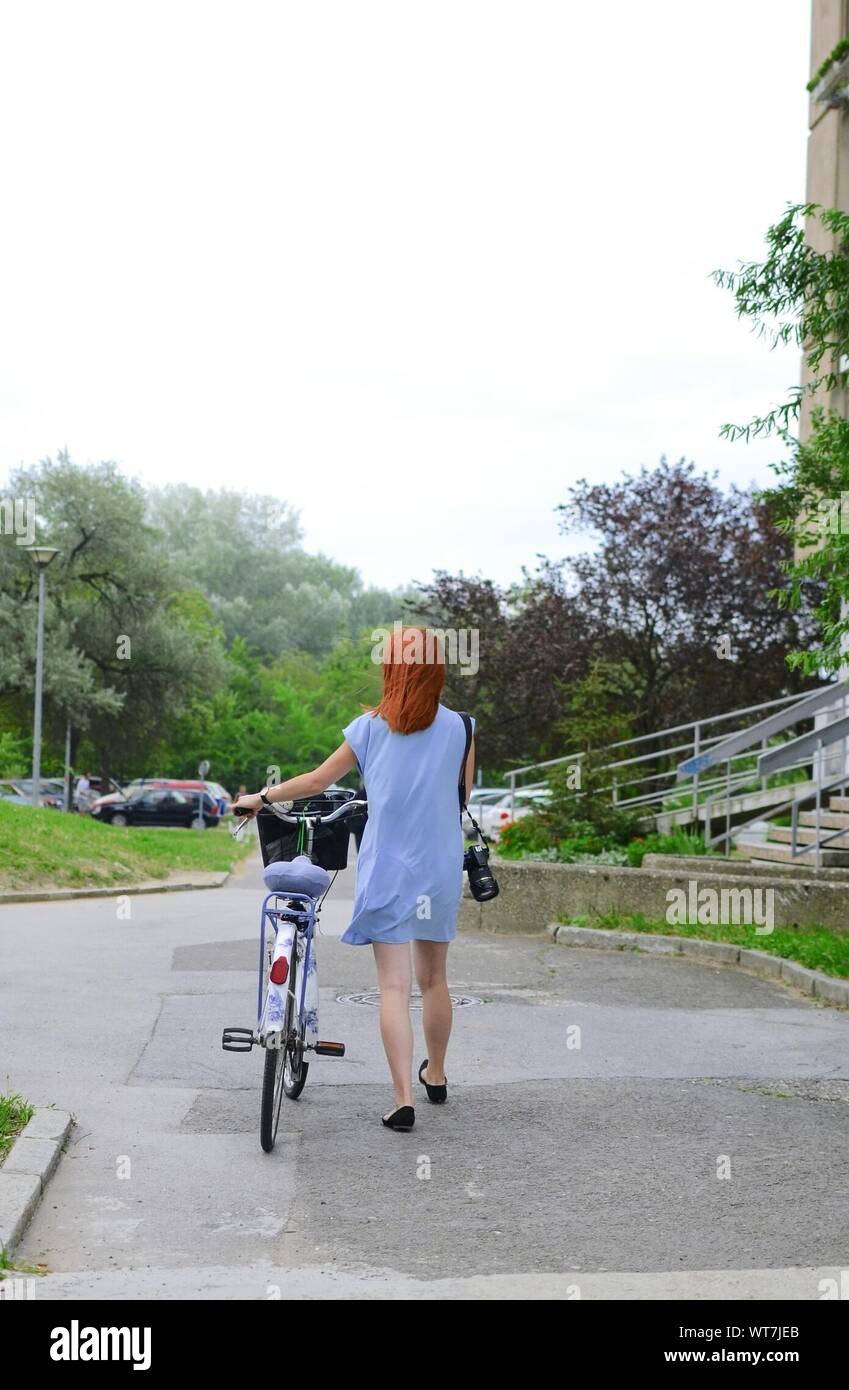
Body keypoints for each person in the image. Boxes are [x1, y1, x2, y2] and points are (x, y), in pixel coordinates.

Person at [233, 626, 474, 1133]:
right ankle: (438, 1073)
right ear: (438, 671)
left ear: (391, 669)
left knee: (393, 985)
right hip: (439, 866)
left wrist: (262, 798)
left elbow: (319, 782)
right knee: (434, 981)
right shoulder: (463, 729)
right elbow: (462, 799)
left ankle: (403, 1098)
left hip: (388, 864)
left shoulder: (369, 728)